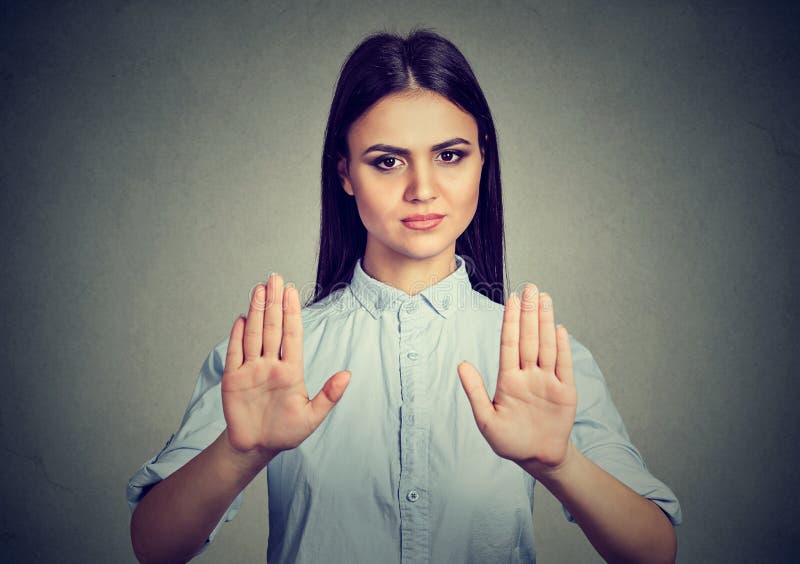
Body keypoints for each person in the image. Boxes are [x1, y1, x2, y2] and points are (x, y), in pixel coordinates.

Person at [127, 29, 682, 563]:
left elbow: (655, 552)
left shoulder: (541, 361)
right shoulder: (269, 359)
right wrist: (240, 453)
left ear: (482, 160)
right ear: (345, 174)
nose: (421, 189)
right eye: (387, 161)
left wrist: (559, 465)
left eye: (450, 155)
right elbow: (154, 548)